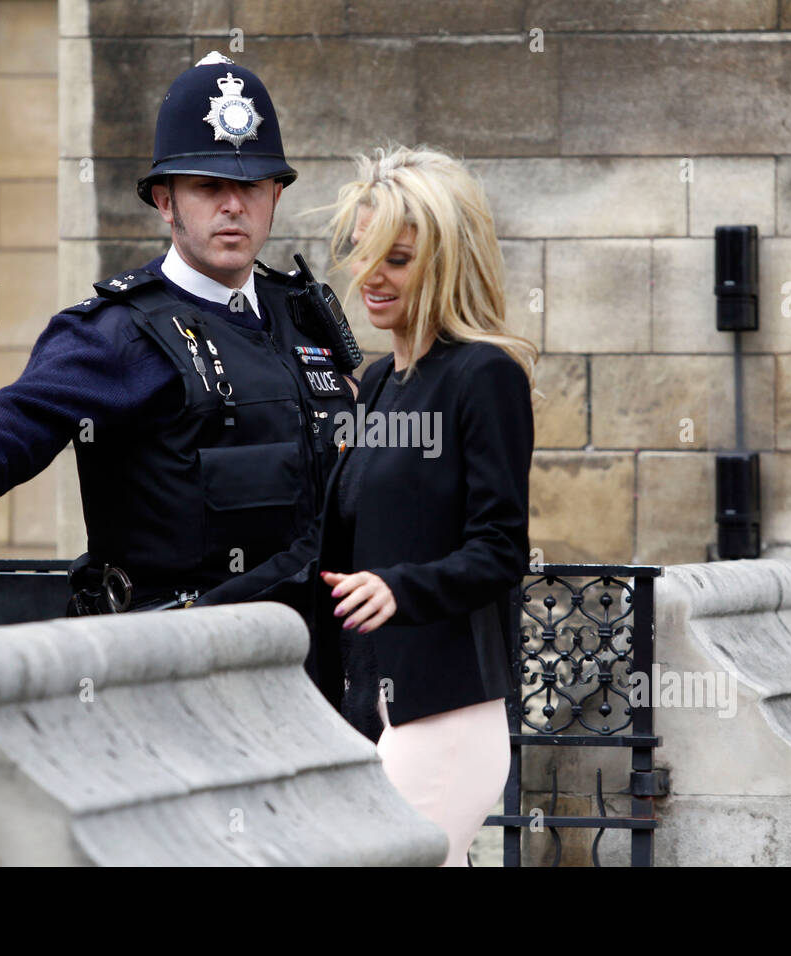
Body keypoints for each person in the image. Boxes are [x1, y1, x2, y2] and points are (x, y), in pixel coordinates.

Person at [0, 53, 359, 615]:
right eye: (209, 187)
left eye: (252, 186)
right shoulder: (119, 331)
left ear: (276, 196)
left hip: (313, 650)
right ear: (165, 201)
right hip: (178, 655)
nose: (234, 205)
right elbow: (26, 413)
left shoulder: (300, 313)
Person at [194, 145, 538, 866]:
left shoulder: (484, 375)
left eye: (398, 259)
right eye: (361, 252)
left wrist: (399, 587)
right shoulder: (377, 385)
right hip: (370, 712)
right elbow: (317, 553)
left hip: (444, 719)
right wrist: (198, 612)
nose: (371, 277)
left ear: (447, 262)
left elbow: (500, 550)